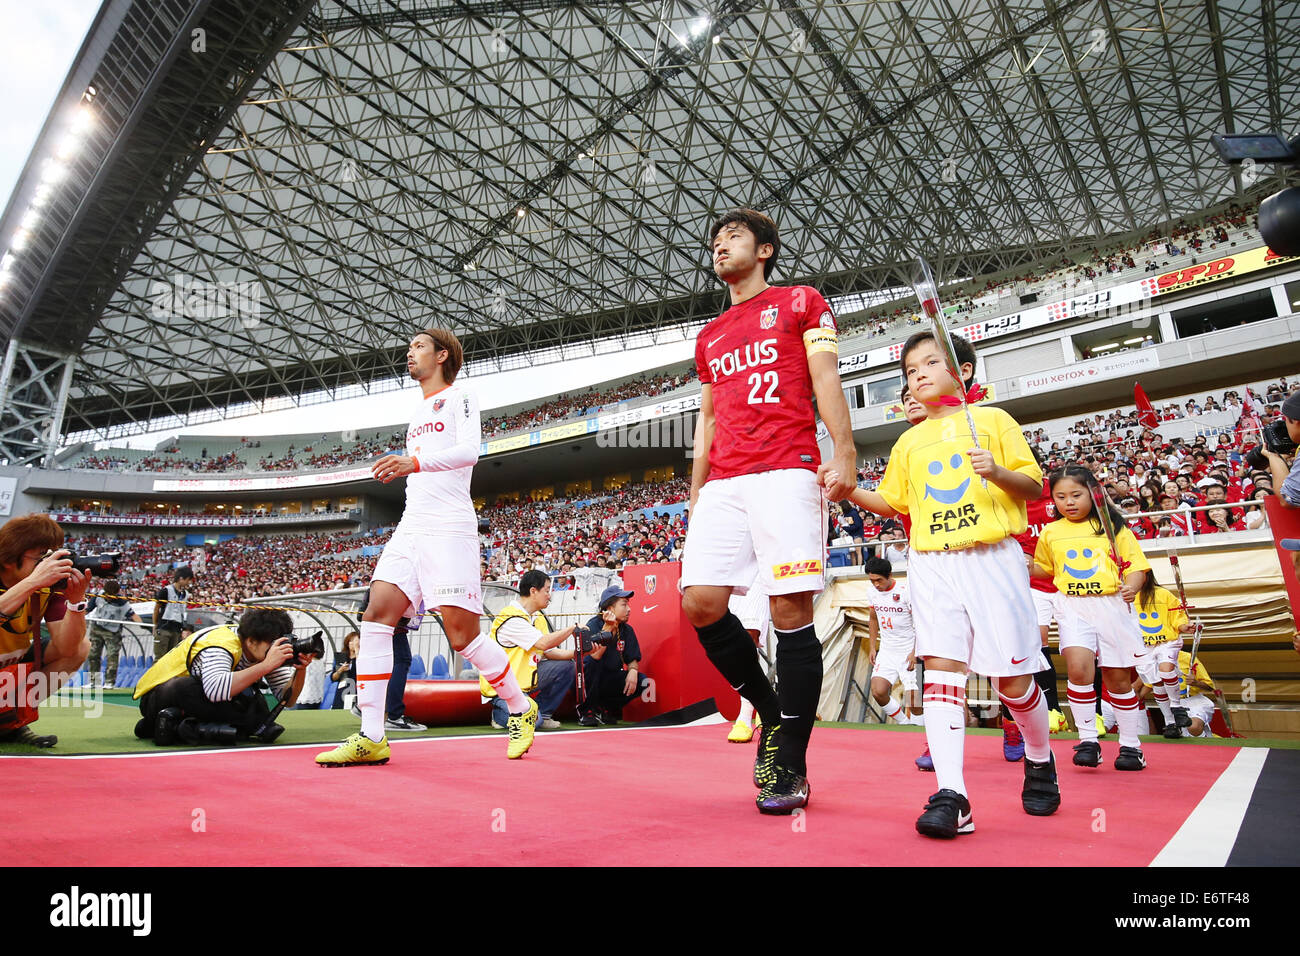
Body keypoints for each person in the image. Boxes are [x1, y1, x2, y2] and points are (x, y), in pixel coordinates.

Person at [844, 330, 1057, 839]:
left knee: (1013, 683)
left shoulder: (993, 421)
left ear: (963, 372)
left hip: (993, 559)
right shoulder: (908, 442)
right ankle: (952, 794)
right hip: (931, 563)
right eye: (910, 371)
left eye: (930, 363)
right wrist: (850, 489)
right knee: (940, 669)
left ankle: (1040, 755)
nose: (918, 374)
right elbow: (894, 503)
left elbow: (1034, 486)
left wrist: (999, 471)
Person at [680, 208, 856, 814]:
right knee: (700, 602)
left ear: (765, 250)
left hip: (787, 468)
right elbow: (706, 420)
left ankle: (791, 762)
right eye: (714, 240)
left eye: (732, 236)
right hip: (725, 480)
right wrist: (697, 491)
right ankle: (775, 710)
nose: (719, 245)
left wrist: (846, 451)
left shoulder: (801, 301)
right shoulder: (709, 337)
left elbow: (825, 377)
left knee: (788, 609)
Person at [318, 328, 538, 767]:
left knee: (462, 637)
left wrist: (413, 462)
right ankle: (372, 734)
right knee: (377, 614)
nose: (409, 352)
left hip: (449, 526)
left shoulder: (462, 397)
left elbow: (470, 451)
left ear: (441, 355)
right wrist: (408, 468)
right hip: (411, 525)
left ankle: (520, 706)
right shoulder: (417, 413)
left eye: (418, 346)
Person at [1032, 466, 1152, 772]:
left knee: (1117, 679)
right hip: (1072, 606)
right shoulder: (1051, 532)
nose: (1068, 502)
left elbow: (1136, 566)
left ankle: (1130, 745)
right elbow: (1045, 569)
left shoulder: (1113, 528)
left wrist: (1133, 585)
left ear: (1092, 493)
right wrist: (1017, 564)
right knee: (1077, 669)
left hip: (1111, 606)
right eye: (1060, 497)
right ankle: (1088, 740)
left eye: (1076, 495)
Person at [133, 608, 314, 745]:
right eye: (274, 642)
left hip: (199, 701)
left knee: (253, 699)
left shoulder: (264, 651)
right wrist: (266, 666)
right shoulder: (221, 643)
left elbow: (287, 700)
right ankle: (234, 728)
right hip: (160, 695)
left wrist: (300, 669)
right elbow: (215, 691)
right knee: (189, 687)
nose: (278, 647)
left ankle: (178, 727)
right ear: (251, 641)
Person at [0, 514, 91, 747]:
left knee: (81, 647)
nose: (49, 563)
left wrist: (76, 602)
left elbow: (68, 648)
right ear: (10, 559)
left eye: (52, 555)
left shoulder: (47, 588)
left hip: (7, 669)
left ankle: (11, 722)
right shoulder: (36, 582)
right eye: (41, 556)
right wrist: (32, 582)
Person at [484, 570, 579, 731]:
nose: (550, 595)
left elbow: (549, 652)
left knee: (567, 666)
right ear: (533, 591)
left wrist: (580, 652)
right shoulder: (511, 617)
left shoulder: (537, 617)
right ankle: (499, 713)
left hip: (525, 681)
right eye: (547, 590)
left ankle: (543, 713)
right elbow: (543, 643)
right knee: (533, 722)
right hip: (503, 687)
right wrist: (572, 629)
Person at [863, 556, 926, 746]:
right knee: (878, 691)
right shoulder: (872, 593)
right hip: (888, 650)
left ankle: (922, 735)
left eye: (879, 580)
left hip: (908, 649)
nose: (875, 584)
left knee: (914, 701)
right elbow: (873, 619)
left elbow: (921, 623)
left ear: (889, 575)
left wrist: (915, 651)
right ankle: (905, 723)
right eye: (872, 580)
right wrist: (873, 646)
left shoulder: (906, 592)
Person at [355, 588, 427, 733]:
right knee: (401, 661)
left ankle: (364, 706)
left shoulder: (381, 578)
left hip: (374, 627)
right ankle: (394, 716)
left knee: (381, 667)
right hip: (390, 626)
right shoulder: (401, 579)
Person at [1133, 575, 1196, 738]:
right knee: (1156, 682)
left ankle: (1176, 707)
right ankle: (1170, 723)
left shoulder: (1163, 594)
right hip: (1143, 645)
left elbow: (1178, 618)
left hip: (1166, 642)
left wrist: (1185, 626)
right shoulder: (1128, 597)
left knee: (1166, 670)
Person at [578, 586, 649, 725]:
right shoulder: (593, 625)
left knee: (642, 680)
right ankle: (587, 710)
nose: (629, 609)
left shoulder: (626, 629)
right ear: (610, 608)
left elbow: (632, 658)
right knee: (593, 664)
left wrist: (633, 671)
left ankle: (606, 708)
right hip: (588, 679)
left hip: (610, 678)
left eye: (628, 604)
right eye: (624, 604)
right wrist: (608, 628)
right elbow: (595, 656)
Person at [725, 569, 772, 743]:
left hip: (760, 566)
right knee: (731, 644)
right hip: (732, 567)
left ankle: (744, 717)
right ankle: (765, 701)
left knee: (749, 638)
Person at [85, 579, 141, 689]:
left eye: (111, 595)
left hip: (112, 632)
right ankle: (94, 682)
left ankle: (109, 682)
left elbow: (134, 616)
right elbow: (87, 610)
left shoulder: (122, 602)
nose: (109, 597)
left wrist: (143, 625)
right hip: (97, 628)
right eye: (107, 595)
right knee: (93, 655)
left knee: (112, 656)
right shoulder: (98, 596)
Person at [152, 566, 194, 660]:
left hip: (176, 630)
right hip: (164, 628)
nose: (189, 582)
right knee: (160, 659)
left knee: (171, 659)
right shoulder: (166, 591)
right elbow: (156, 608)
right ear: (181, 578)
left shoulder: (186, 594)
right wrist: (155, 625)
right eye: (188, 580)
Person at [330, 630, 360, 710]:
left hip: (356, 690)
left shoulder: (362, 658)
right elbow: (333, 678)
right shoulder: (341, 658)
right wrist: (340, 670)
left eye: (356, 641)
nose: (353, 643)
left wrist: (357, 651)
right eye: (351, 641)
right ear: (347, 643)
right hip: (342, 691)